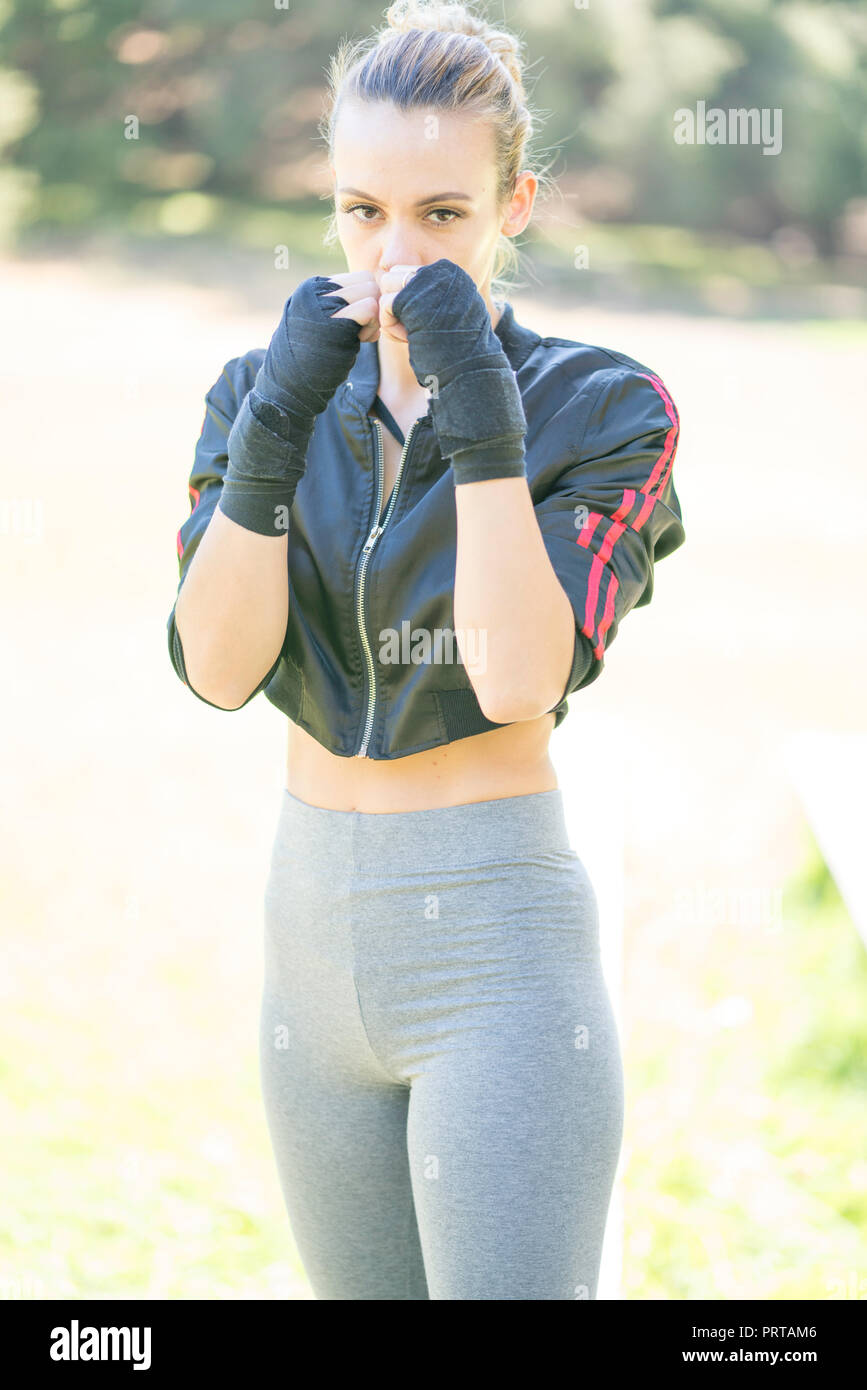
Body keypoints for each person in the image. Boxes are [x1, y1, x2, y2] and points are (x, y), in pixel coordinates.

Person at [166, 0, 686, 1300]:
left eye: (441, 216)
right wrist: (277, 431)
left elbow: (520, 676)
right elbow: (220, 668)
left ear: (514, 203)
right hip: (308, 942)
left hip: (497, 956)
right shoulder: (258, 385)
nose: (395, 256)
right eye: (361, 211)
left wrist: (483, 420)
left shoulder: (605, 405)